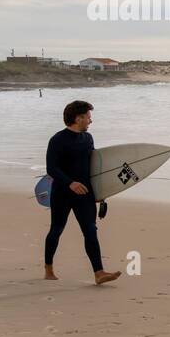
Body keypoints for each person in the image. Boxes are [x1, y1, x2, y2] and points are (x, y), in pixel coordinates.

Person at [44, 100, 121, 285]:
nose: (90, 121)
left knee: (90, 230)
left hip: (85, 193)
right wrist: (70, 183)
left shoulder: (88, 139)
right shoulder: (57, 140)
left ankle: (99, 272)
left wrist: (100, 191)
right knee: (57, 229)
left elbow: (95, 167)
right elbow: (52, 168)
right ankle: (48, 269)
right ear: (78, 118)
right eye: (88, 117)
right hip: (62, 193)